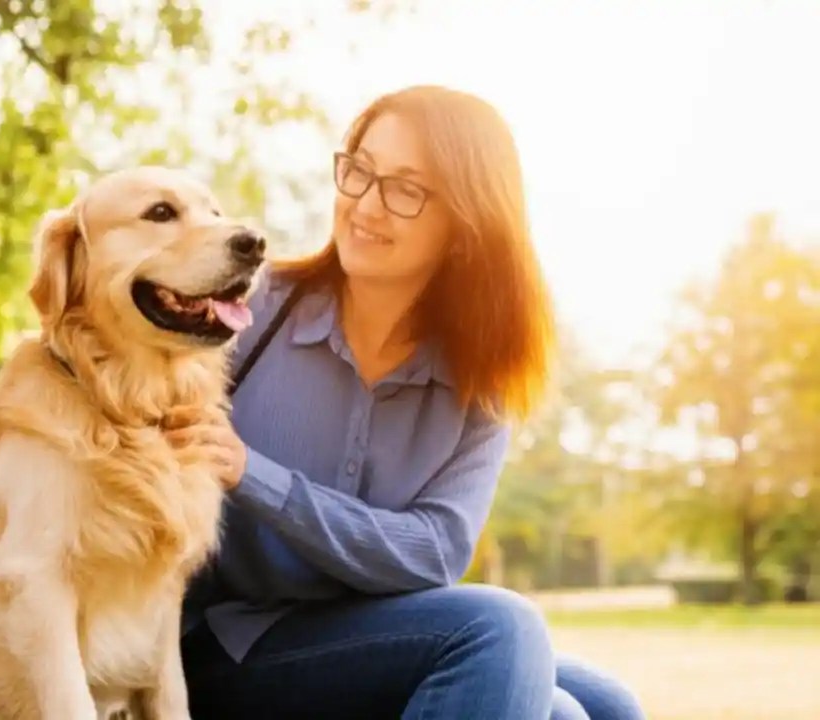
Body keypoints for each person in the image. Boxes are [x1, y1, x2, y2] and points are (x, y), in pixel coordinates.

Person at [172, 85, 646, 719]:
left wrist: (253, 474)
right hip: (225, 643)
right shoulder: (251, 310)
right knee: (500, 628)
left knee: (604, 707)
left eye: (406, 189)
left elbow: (437, 552)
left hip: (376, 631)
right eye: (359, 171)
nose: (366, 205)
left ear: (464, 227)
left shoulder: (484, 378)